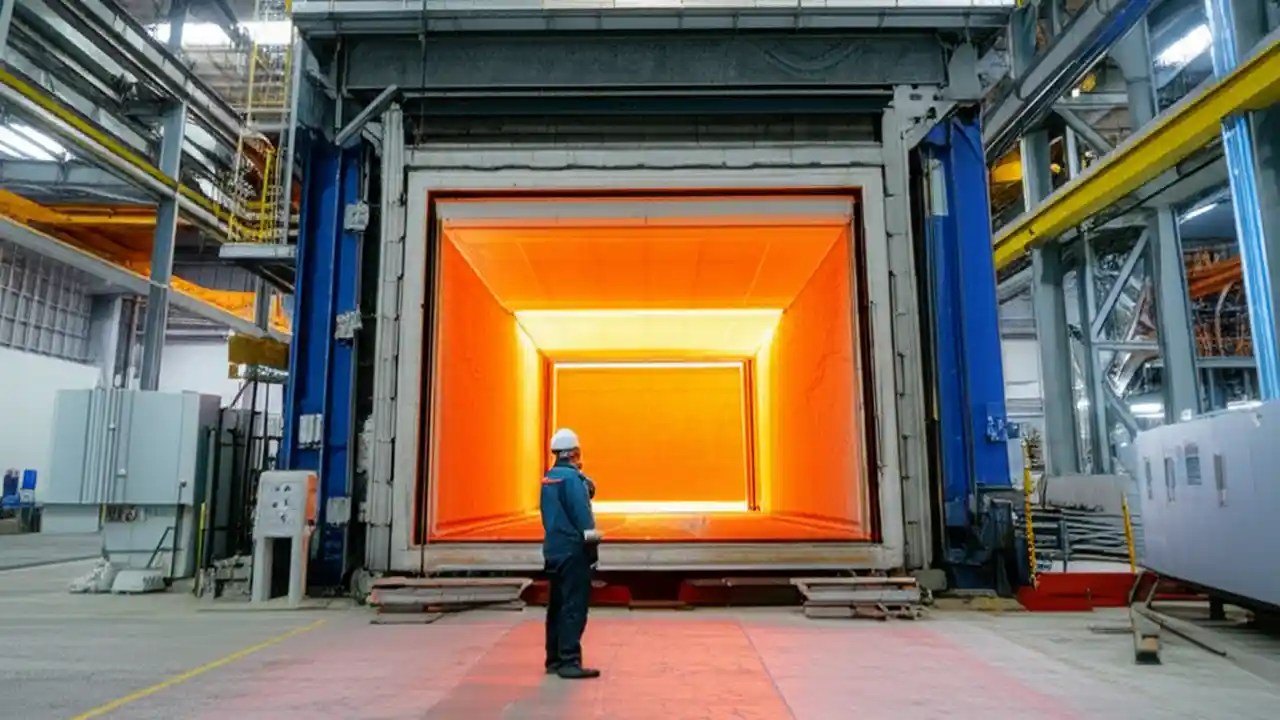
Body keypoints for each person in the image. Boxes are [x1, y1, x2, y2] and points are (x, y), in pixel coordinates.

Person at [540, 428, 602, 680]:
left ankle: (554, 659)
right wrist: (592, 547)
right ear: (576, 452)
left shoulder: (549, 478)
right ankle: (570, 660)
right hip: (573, 551)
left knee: (556, 606)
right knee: (574, 606)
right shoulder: (574, 480)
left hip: (553, 550)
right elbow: (583, 517)